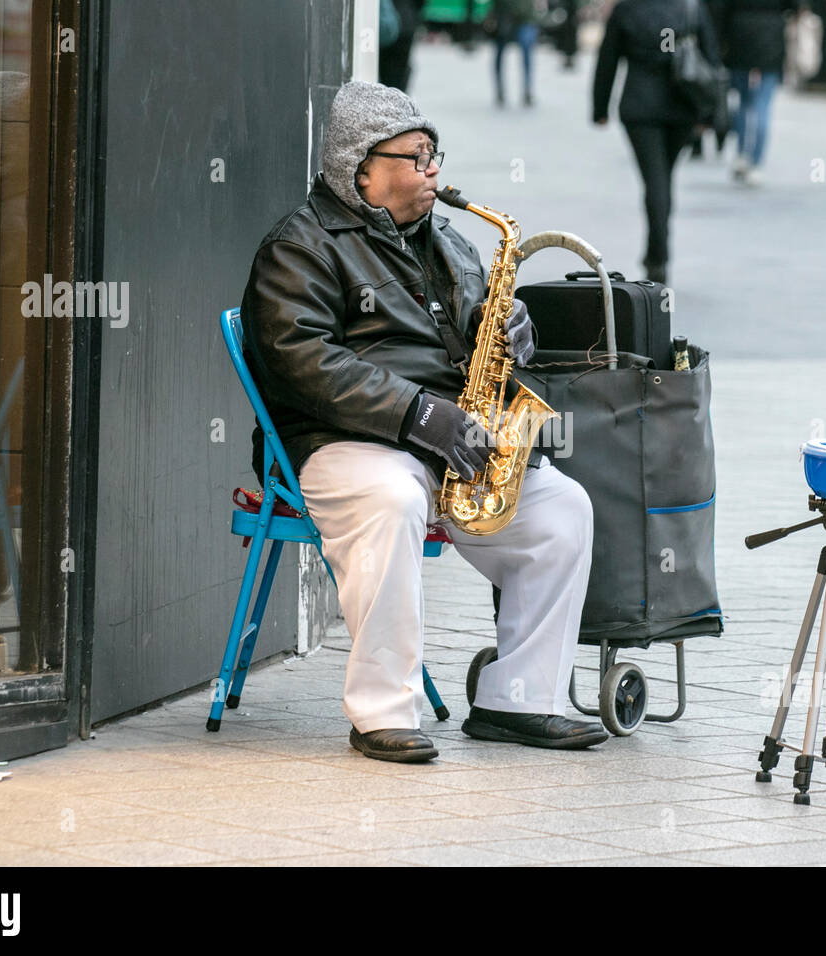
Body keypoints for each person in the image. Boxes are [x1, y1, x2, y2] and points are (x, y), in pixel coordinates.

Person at [240, 81, 606, 762]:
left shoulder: (448, 242)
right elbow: (303, 361)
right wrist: (416, 413)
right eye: (417, 156)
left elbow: (473, 329)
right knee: (393, 496)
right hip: (339, 440)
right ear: (362, 168)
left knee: (564, 510)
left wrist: (505, 333)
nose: (433, 170)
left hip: (444, 435)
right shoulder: (298, 248)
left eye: (434, 154)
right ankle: (384, 710)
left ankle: (519, 700)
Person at [593, 0, 722, 283]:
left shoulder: (627, 9)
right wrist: (710, 114)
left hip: (639, 106)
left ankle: (657, 257)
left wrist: (600, 107)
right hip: (682, 106)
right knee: (663, 178)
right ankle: (658, 253)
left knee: (655, 180)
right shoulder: (690, 7)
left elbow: (608, 57)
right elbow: (711, 57)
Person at [718, 0, 797, 184]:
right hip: (771, 39)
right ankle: (756, 161)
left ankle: (741, 154)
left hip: (738, 38)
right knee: (762, 104)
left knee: (743, 102)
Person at [491, 0, 542, 106]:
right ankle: (500, 90)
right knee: (500, 55)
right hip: (505, 17)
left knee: (526, 55)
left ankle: (527, 90)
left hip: (524, 19)